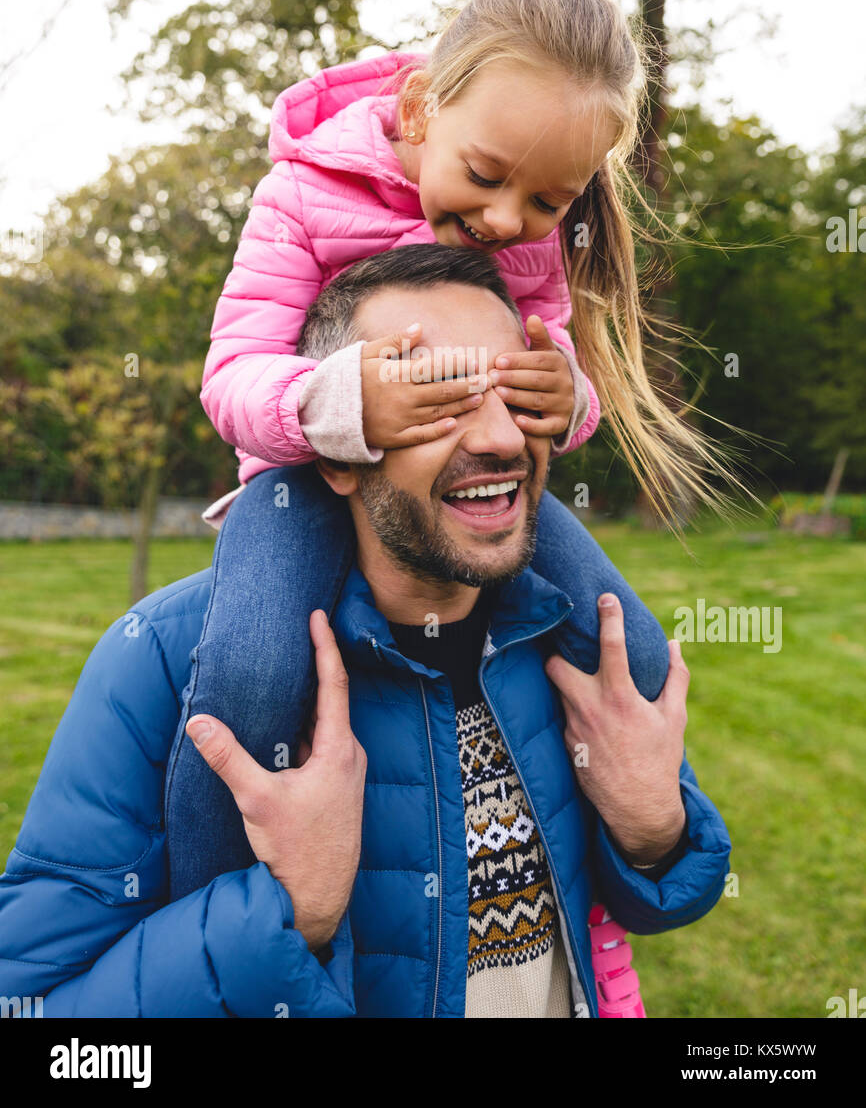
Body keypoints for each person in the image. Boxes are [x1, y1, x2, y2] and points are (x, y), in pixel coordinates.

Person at [0, 248, 732, 1018]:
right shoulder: (162, 657)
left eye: (517, 394)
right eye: (437, 400)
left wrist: (656, 827)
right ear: (339, 453)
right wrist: (288, 912)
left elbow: (661, 903)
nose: (503, 439)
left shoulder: (572, 637)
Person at [167, 0, 739, 919]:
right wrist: (343, 404)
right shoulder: (304, 192)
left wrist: (568, 393)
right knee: (253, 672)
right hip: (304, 486)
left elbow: (552, 368)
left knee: (632, 654)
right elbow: (229, 379)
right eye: (484, 176)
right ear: (425, 105)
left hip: (481, 490)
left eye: (551, 202)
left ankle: (598, 879)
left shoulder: (529, 237)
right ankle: (212, 907)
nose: (509, 222)